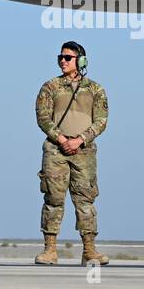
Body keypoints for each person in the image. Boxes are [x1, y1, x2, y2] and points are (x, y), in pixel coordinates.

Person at [34, 41, 109, 266]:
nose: (63, 61)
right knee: (53, 199)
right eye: (61, 57)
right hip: (56, 151)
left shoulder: (95, 89)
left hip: (83, 152)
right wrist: (62, 139)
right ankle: (50, 250)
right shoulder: (50, 87)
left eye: (68, 57)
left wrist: (80, 140)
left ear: (81, 61)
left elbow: (101, 120)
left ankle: (89, 251)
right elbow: (43, 118)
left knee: (85, 200)